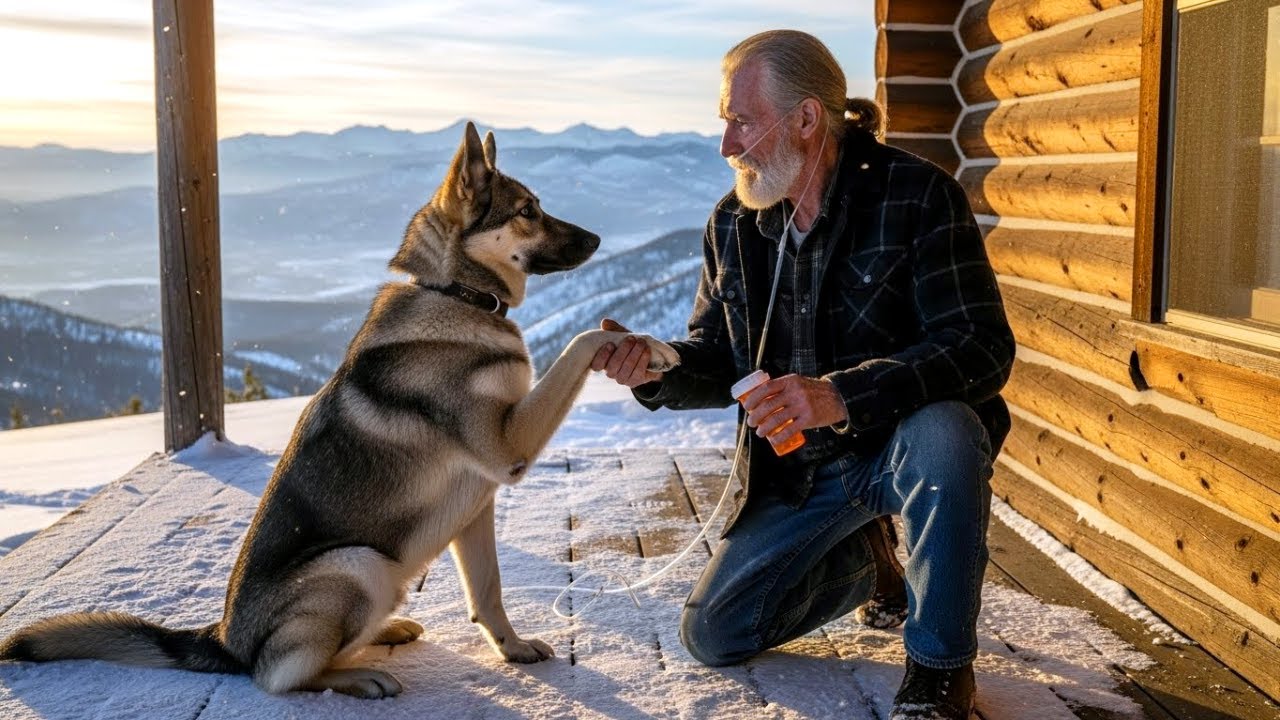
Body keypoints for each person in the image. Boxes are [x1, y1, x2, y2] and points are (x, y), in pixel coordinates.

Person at [591, 30, 1015, 720]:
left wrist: (842, 395)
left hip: (899, 450)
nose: (727, 145)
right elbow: (717, 355)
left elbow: (981, 348)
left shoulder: (918, 197)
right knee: (715, 635)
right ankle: (864, 558)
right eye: (725, 122)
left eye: (742, 121)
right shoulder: (733, 222)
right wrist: (658, 366)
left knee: (946, 429)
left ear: (808, 119)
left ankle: (940, 672)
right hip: (797, 473)